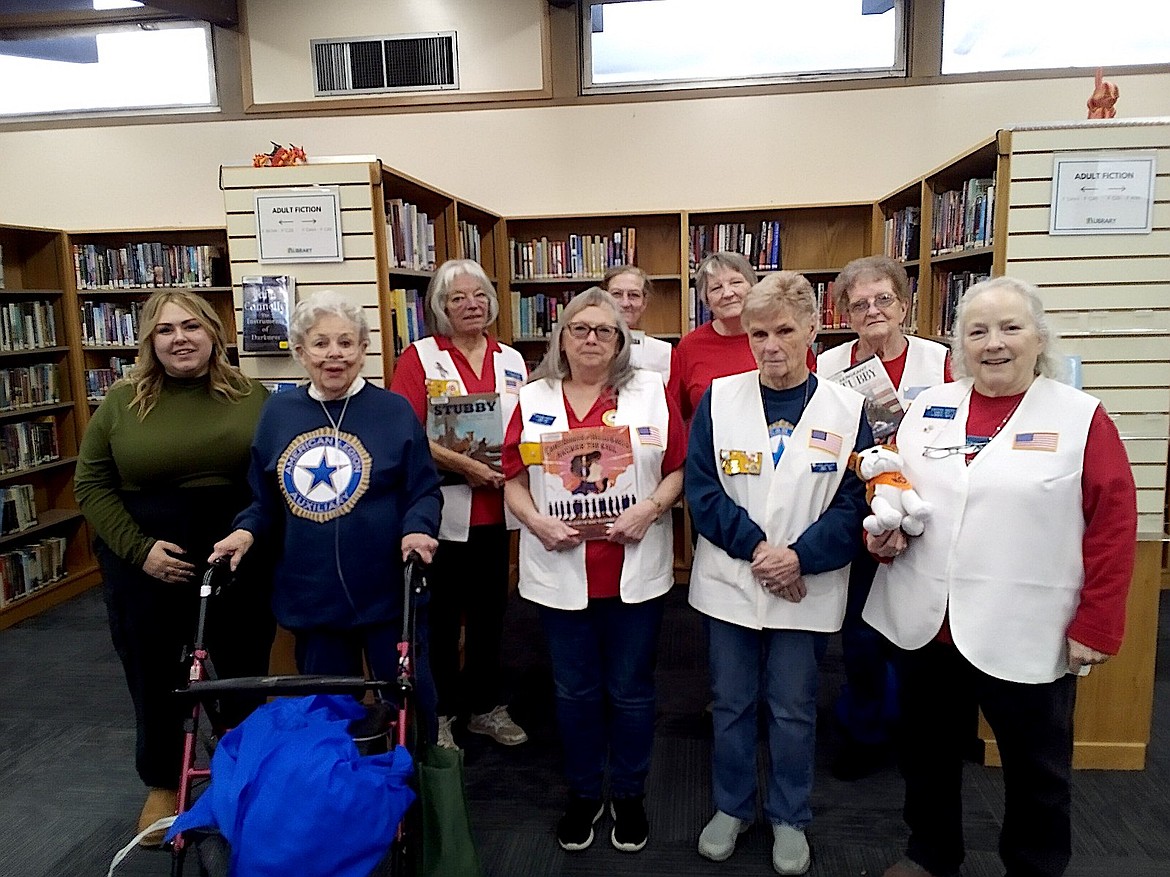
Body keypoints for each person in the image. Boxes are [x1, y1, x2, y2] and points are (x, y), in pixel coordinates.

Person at [863, 277, 1137, 877]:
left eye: (1010, 327)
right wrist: (880, 540)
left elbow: (1113, 526)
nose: (994, 343)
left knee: (1036, 769)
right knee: (927, 757)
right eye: (977, 331)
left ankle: (1034, 866)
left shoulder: (1079, 417)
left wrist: (1098, 622)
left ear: (1039, 337)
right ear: (958, 343)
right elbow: (894, 493)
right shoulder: (930, 410)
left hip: (1027, 626)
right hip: (928, 626)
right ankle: (930, 854)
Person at [686, 271, 872, 875]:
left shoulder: (847, 409)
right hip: (733, 580)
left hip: (805, 585)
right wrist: (763, 554)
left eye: (784, 331)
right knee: (731, 702)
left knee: (793, 707)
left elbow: (854, 501)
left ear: (813, 330)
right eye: (757, 332)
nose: (769, 345)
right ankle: (732, 806)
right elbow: (702, 490)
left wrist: (800, 558)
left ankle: (790, 815)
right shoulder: (719, 398)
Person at [74, 289, 275, 846]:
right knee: (154, 670)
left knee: (241, 666)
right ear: (149, 342)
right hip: (146, 556)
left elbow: (272, 474)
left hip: (233, 551)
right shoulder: (120, 400)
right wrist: (139, 551)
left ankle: (239, 771)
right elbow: (90, 484)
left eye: (191, 326)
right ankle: (164, 780)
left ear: (213, 333)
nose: (179, 338)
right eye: (165, 330)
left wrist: (249, 533)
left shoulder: (251, 395)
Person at [501, 287, 685, 854]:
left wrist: (651, 509)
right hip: (558, 564)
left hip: (633, 566)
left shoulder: (650, 391)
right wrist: (535, 522)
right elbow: (510, 477)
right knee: (575, 692)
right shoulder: (533, 398)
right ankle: (584, 793)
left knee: (631, 692)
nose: (591, 339)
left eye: (604, 330)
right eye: (580, 329)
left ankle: (628, 794)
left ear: (621, 340)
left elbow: (678, 468)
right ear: (561, 337)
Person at [211, 290, 442, 706]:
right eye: (320, 344)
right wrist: (243, 533)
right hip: (312, 593)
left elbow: (423, 490)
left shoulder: (394, 411)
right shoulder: (278, 414)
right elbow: (262, 501)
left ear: (363, 349)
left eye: (345, 342)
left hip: (388, 588)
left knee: (410, 703)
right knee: (330, 712)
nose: (334, 355)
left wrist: (417, 531)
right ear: (301, 352)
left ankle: (414, 770)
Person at [815, 255, 951, 779]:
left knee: (920, 630)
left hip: (925, 514)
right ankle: (867, 730)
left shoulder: (939, 362)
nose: (872, 310)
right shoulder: (828, 367)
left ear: (904, 304)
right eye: (859, 303)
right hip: (858, 515)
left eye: (883, 299)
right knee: (863, 636)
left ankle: (920, 730)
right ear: (844, 312)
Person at [389, 259, 528, 750]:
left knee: (491, 612)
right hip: (442, 508)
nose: (471, 305)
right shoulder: (420, 357)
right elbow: (405, 432)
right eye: (457, 298)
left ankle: (486, 706)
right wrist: (467, 466)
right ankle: (443, 710)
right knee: (443, 617)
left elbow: (525, 426)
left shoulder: (512, 358)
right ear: (439, 308)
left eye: (479, 295)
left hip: (500, 506)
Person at [673, 252, 760, 420]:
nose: (727, 293)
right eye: (716, 288)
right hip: (708, 443)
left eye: (736, 282)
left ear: (753, 287)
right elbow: (679, 415)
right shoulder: (689, 346)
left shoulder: (776, 336)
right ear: (706, 299)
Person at [601, 264, 676, 385]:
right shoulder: (588, 347)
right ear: (603, 299)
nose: (625, 303)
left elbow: (671, 402)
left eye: (633, 295)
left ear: (644, 302)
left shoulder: (665, 354)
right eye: (617, 294)